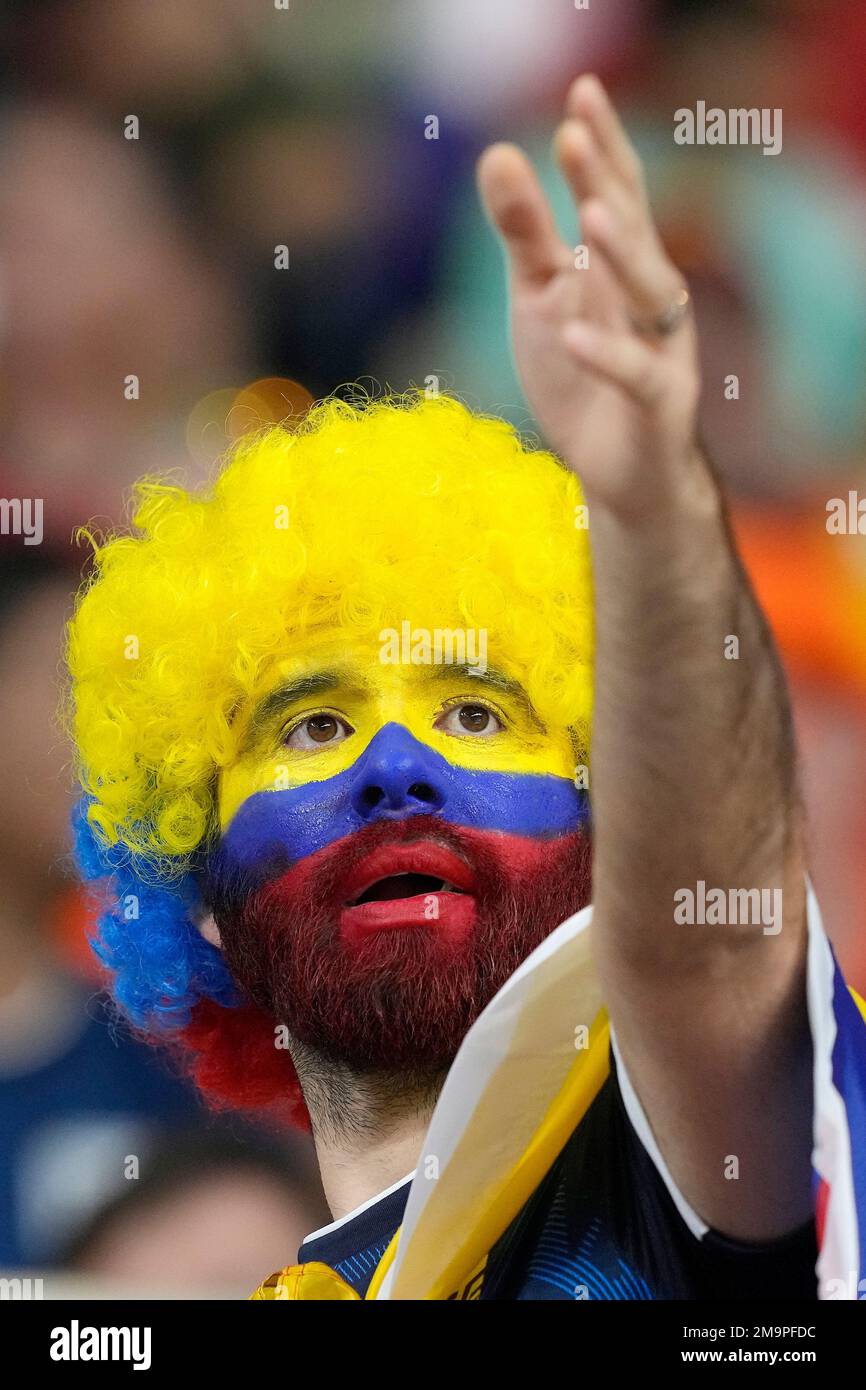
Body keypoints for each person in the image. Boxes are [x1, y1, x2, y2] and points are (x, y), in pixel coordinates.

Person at [65, 75, 866, 1300]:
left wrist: (651, 506)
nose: (396, 766)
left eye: (479, 712)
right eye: (315, 722)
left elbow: (715, 948)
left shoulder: (679, 1174)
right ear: (201, 896)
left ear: (616, 847)